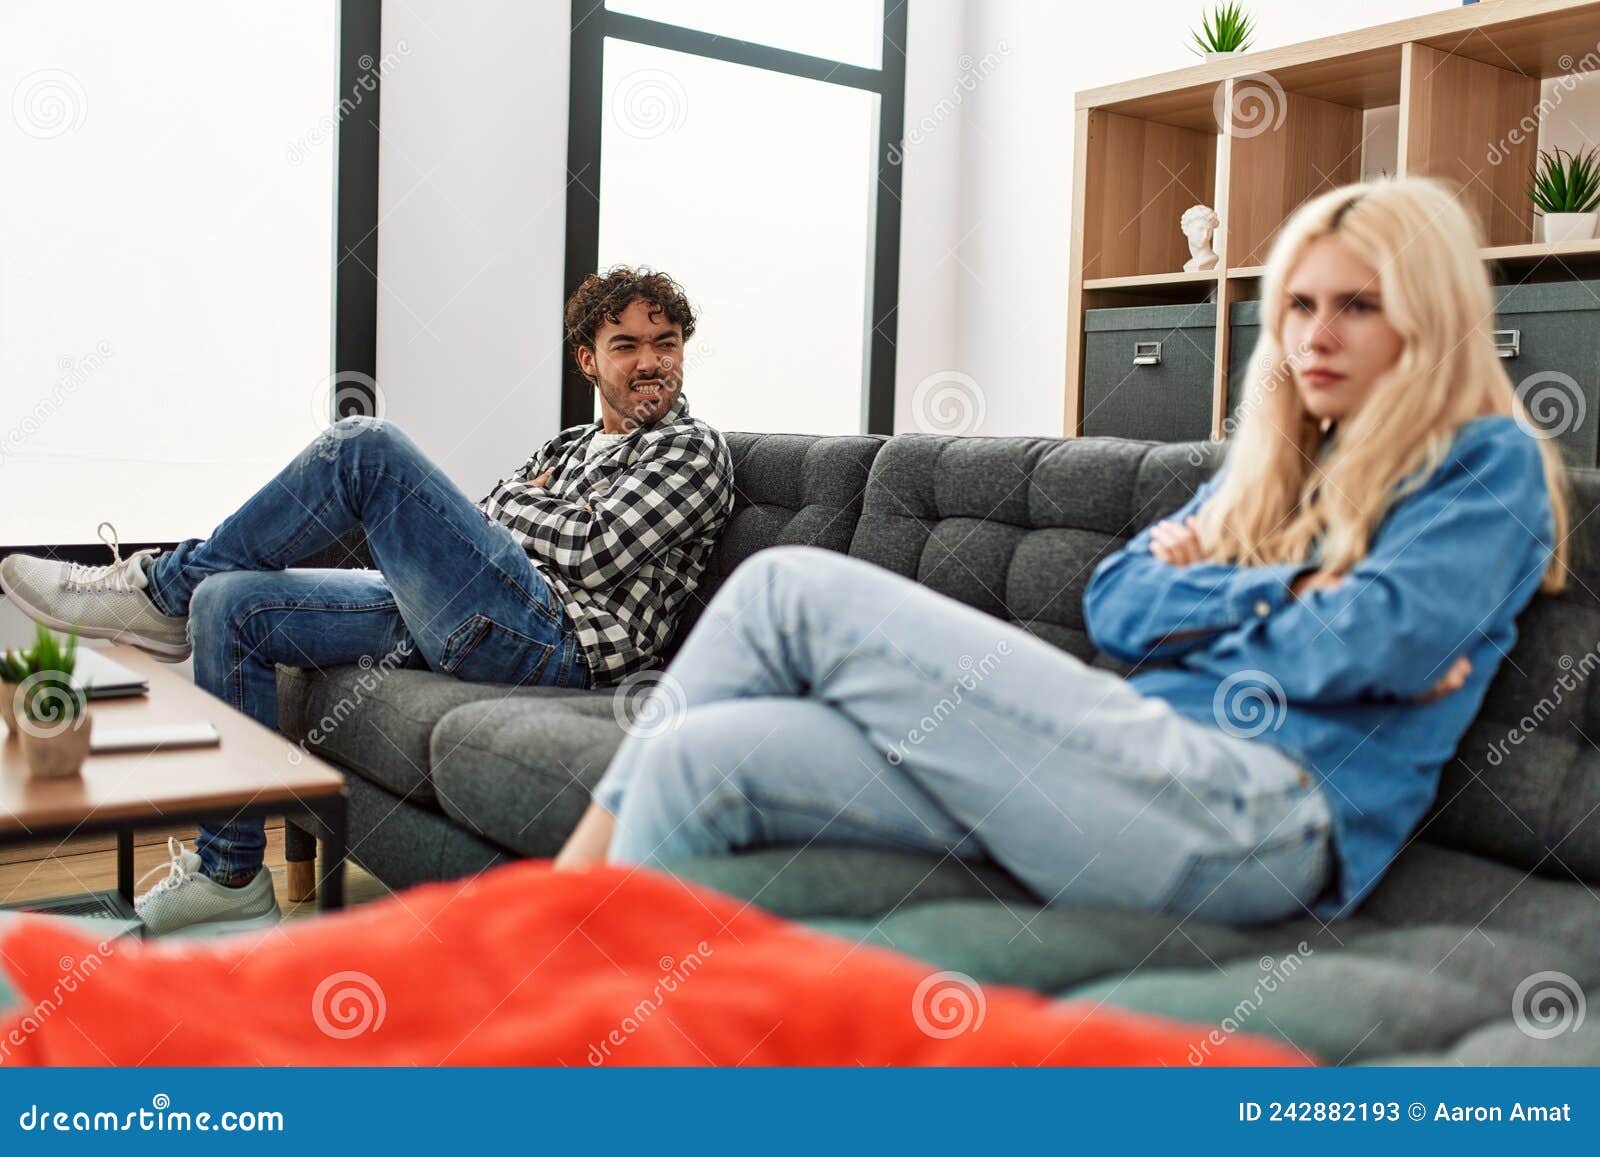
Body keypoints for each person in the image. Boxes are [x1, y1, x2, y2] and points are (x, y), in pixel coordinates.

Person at [554, 179, 1570, 926]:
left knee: (784, 589)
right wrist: (1299, 585)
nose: (1314, 335)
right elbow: (1118, 603)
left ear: (1428, 316)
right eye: (1300, 305)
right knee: (696, 758)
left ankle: (548, 928)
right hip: (1121, 765)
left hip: (1257, 812)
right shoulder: (1278, 461)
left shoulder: (1486, 461)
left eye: (1358, 304)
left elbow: (1370, 646)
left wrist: (1222, 585)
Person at [1, 266, 734, 934]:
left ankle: (159, 587)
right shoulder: (568, 446)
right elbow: (490, 513)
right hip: (494, 607)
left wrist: (516, 510)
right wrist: (520, 512)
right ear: (588, 359)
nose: (649, 362)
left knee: (364, 445)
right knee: (229, 603)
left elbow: (594, 549)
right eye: (626, 345)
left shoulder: (691, 448)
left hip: (556, 642)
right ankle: (231, 875)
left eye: (665, 344)